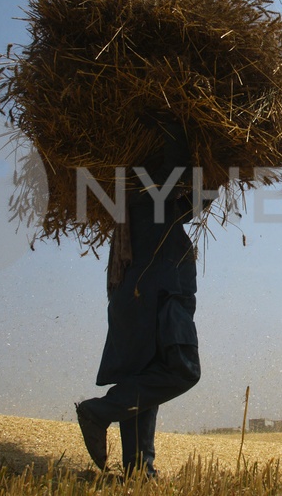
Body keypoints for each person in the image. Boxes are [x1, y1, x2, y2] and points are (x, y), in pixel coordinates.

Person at [76, 124, 201, 478]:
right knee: (182, 370)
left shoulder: (144, 202)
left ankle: (138, 472)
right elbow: (177, 166)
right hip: (156, 298)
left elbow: (191, 203)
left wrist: (214, 177)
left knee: (144, 382)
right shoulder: (139, 187)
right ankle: (98, 412)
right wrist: (173, 118)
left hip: (136, 302)